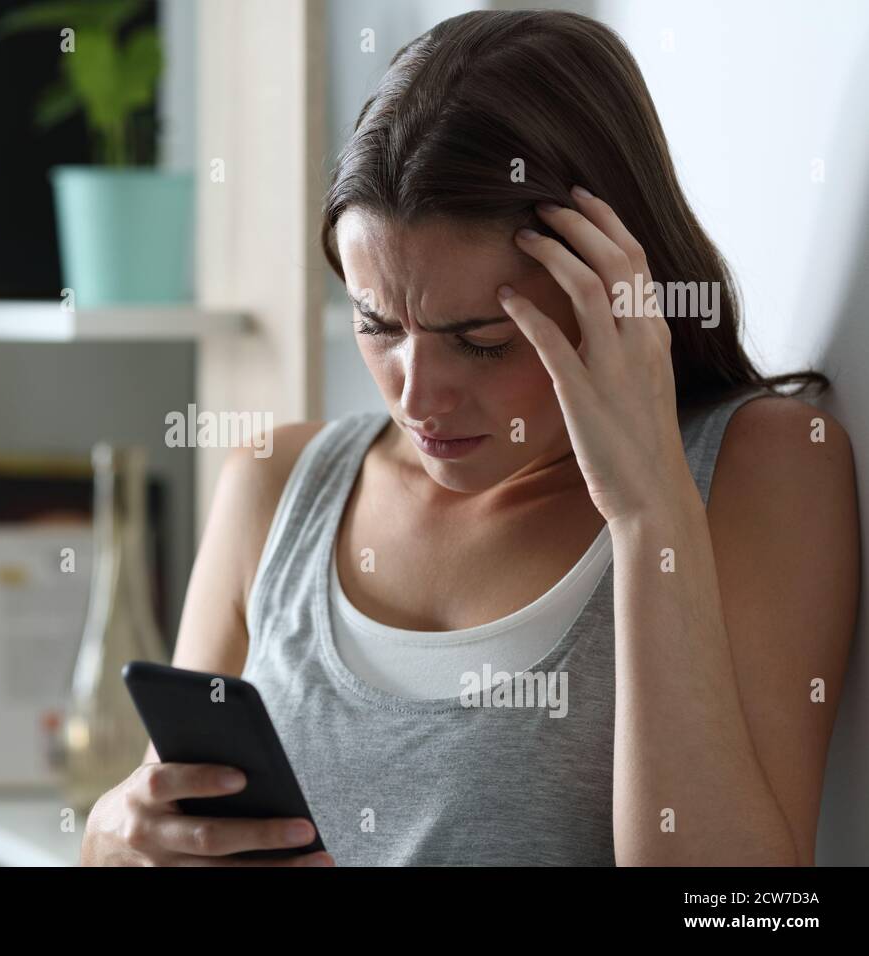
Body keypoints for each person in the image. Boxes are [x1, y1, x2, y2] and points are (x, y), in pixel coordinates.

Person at [80, 8, 859, 866]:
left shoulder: (760, 470)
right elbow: (175, 816)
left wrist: (647, 514)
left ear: (613, 292)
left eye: (480, 341)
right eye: (377, 325)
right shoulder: (275, 483)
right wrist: (108, 844)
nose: (416, 397)